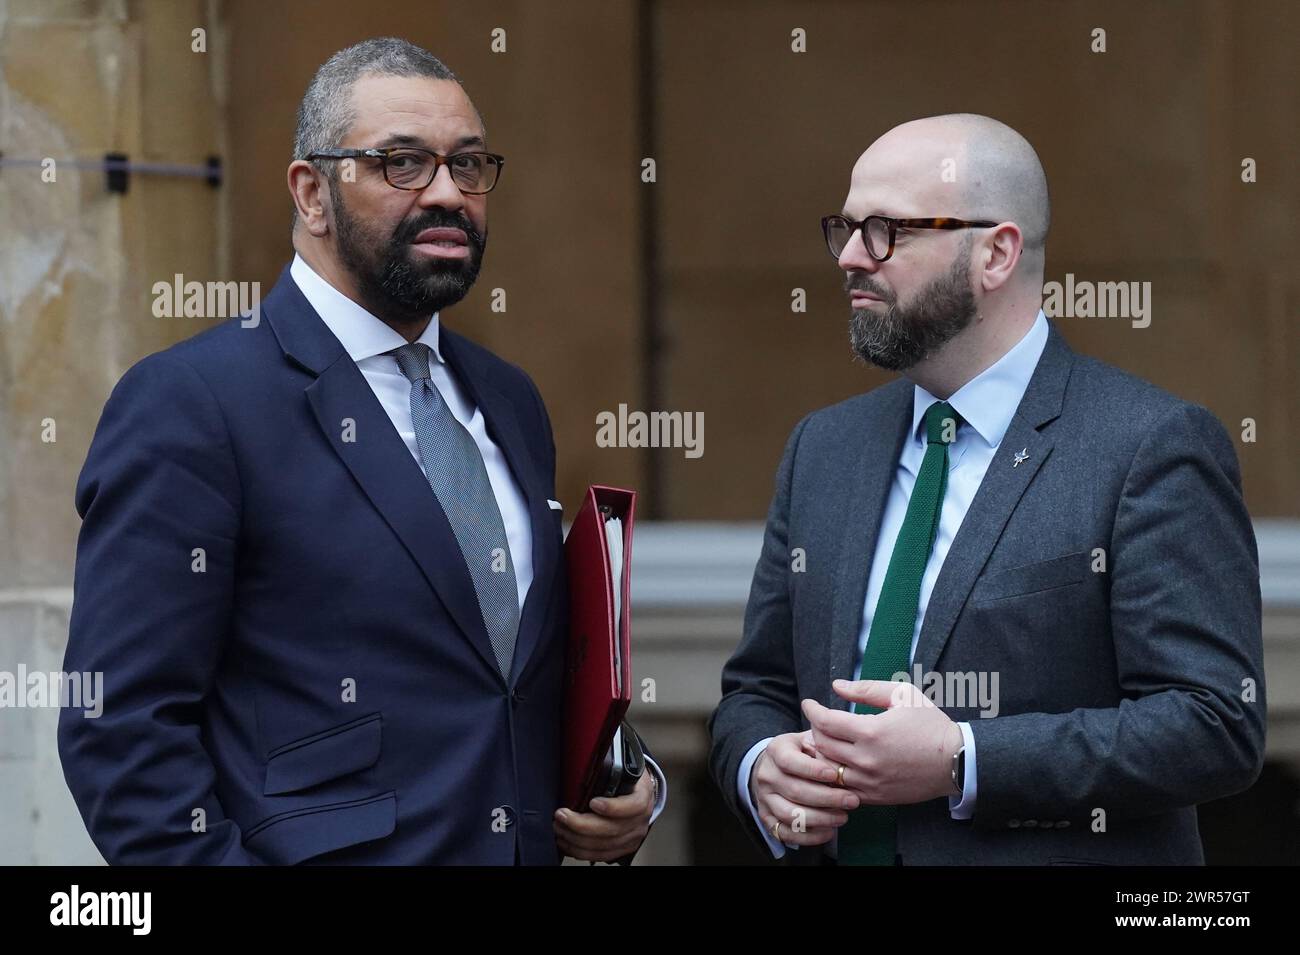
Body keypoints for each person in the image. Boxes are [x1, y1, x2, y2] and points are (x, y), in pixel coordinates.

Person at [58, 37, 664, 865]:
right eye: (402, 164)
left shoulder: (509, 398)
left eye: (470, 164)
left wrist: (632, 783)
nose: (448, 193)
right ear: (312, 192)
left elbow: (514, 677)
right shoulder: (194, 403)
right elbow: (120, 731)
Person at [708, 113, 1264, 865]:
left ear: (995, 253)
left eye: (884, 230)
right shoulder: (823, 448)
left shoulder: (1149, 445)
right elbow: (755, 688)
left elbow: (1214, 723)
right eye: (842, 227)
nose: (847, 256)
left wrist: (961, 758)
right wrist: (760, 764)